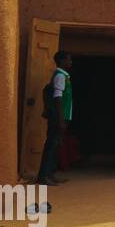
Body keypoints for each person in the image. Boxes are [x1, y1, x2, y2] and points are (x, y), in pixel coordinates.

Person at [36, 51, 73, 186]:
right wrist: (61, 119)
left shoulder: (64, 76)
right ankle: (43, 176)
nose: (70, 62)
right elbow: (57, 97)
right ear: (62, 61)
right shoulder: (60, 76)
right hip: (58, 117)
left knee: (56, 145)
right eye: (68, 60)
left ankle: (50, 174)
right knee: (51, 146)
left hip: (61, 116)